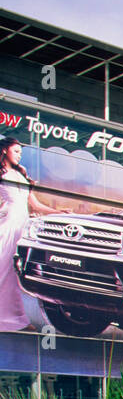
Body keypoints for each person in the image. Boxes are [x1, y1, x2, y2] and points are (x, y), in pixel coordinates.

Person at [0, 137, 63, 332]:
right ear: (4, 151)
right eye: (16, 151)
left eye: (21, 152)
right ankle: (12, 319)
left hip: (24, 226)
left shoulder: (22, 174)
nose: (19, 155)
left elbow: (35, 205)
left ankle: (15, 318)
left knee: (16, 274)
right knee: (4, 272)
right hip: (8, 225)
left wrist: (59, 213)